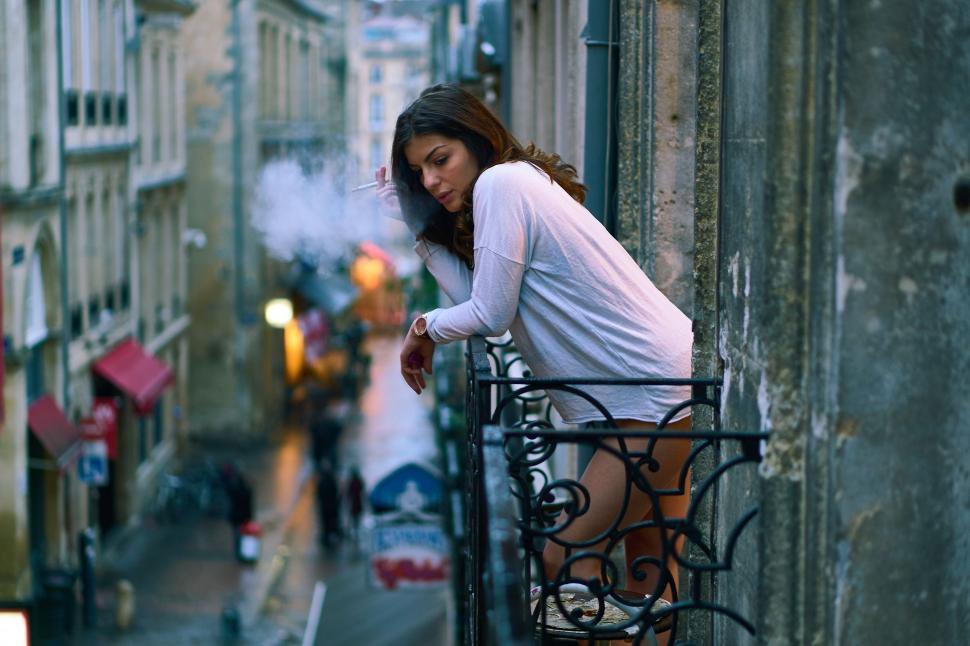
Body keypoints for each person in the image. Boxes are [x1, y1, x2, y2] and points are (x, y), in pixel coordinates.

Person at [377, 85, 694, 611]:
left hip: (654, 394)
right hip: (662, 383)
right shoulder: (515, 181)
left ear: (475, 141)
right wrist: (419, 226)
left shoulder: (501, 183)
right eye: (418, 172)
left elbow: (490, 315)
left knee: (567, 557)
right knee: (652, 566)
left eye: (440, 160)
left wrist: (424, 328)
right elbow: (479, 301)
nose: (430, 181)